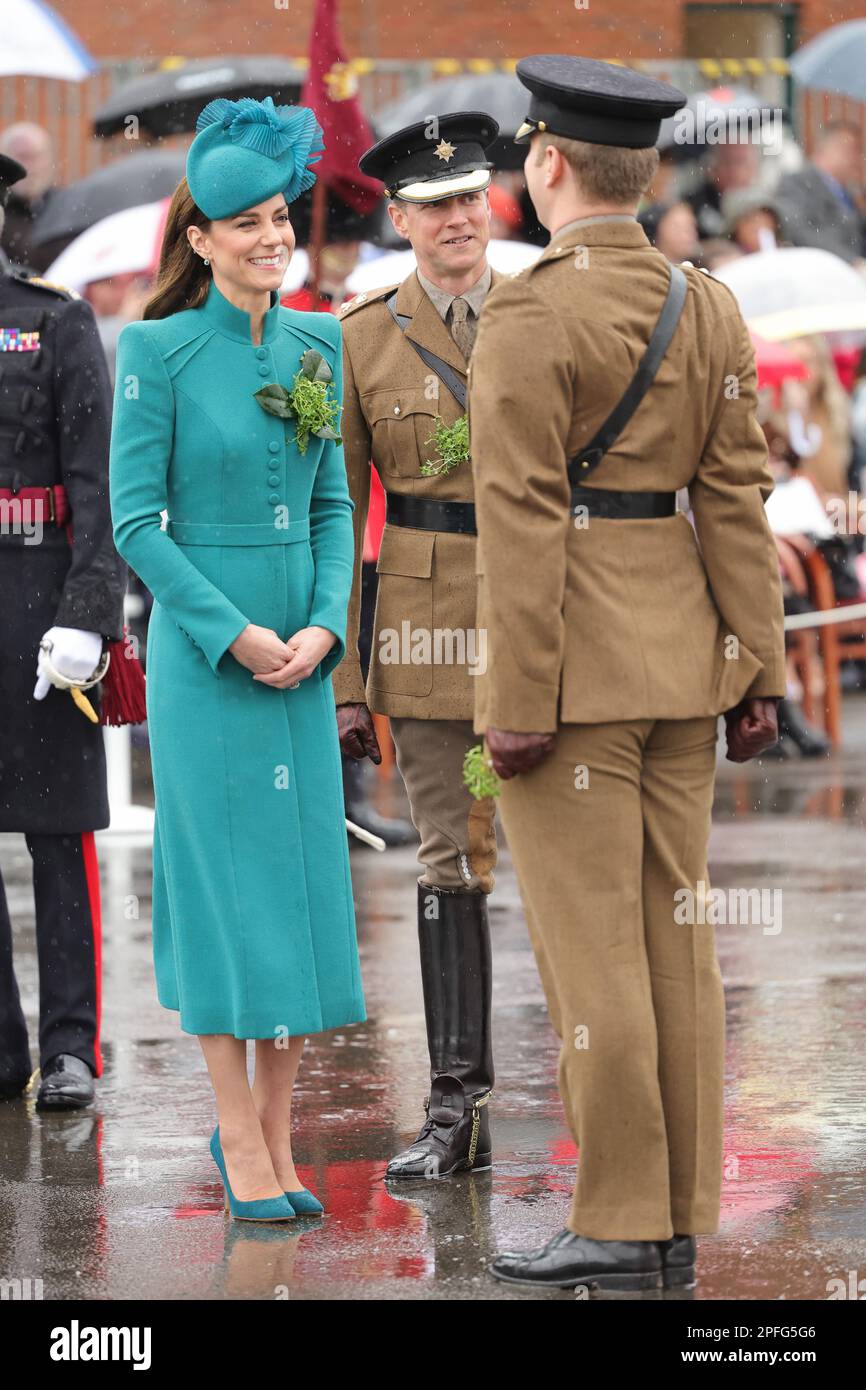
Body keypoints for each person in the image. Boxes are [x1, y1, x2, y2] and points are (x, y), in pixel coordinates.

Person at [468, 55, 786, 1291]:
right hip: (684, 663)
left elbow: (522, 519)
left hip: (577, 682)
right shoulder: (701, 301)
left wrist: (512, 702)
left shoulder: (528, 309)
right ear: (639, 171)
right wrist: (759, 668)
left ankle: (615, 1212)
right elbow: (736, 501)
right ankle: (673, 1207)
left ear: (546, 165)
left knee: (591, 953)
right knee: (675, 941)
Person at [109, 96, 365, 1222]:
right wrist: (233, 632)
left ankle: (268, 1133)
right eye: (243, 223)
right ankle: (240, 1139)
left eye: (279, 216)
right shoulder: (154, 350)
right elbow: (133, 523)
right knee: (220, 897)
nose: (271, 237)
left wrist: (322, 626)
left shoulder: (322, 342)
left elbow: (332, 505)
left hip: (300, 662)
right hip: (208, 666)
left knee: (300, 890)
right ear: (199, 240)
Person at [334, 113, 503, 1180]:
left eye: (471, 197)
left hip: (560, 614)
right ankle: (457, 1109)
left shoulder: (541, 311)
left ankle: (615, 1114)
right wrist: (349, 686)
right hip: (432, 630)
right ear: (399, 220)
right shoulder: (358, 337)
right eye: (434, 204)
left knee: (583, 867)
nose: (457, 217)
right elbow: (336, 513)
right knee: (450, 862)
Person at [0, 152, 128, 1110]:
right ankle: (3, 1051)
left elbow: (99, 485)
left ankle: (73, 1044)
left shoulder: (54, 319)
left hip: (39, 596)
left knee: (57, 831)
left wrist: (89, 613)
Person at [775, 123, 865, 264]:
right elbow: (799, 231)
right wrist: (851, 261)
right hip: (821, 274)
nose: (857, 159)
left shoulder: (849, 193)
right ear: (827, 149)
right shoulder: (797, 183)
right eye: (851, 150)